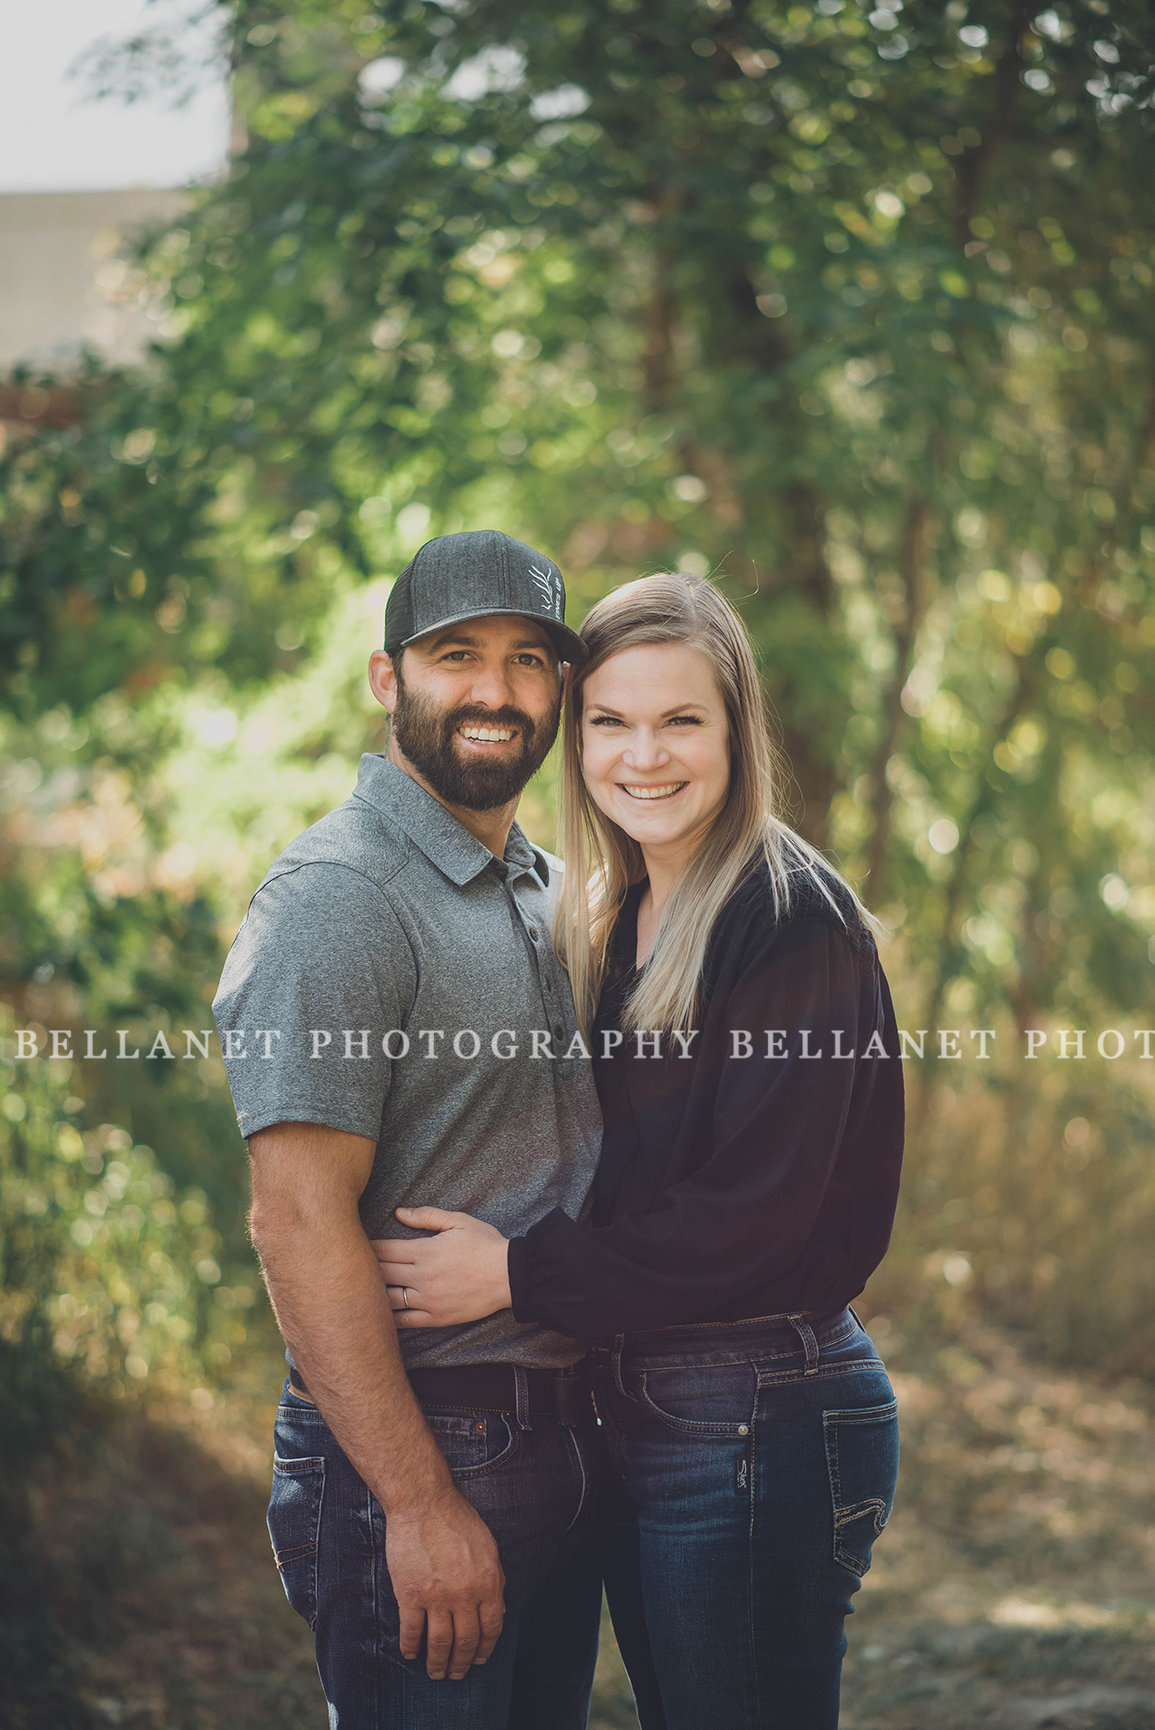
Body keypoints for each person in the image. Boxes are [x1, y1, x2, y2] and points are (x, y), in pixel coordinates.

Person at [374, 572, 905, 1729]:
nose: (642, 757)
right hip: (665, 1405)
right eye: (610, 721)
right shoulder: (623, 911)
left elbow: (749, 1214)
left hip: (761, 1405)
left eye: (681, 720)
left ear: (737, 729)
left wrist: (515, 1273)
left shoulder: (784, 916)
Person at [211, 529, 609, 1729]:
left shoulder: (542, 882)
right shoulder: (340, 899)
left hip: (557, 1442)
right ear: (389, 680)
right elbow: (295, 1217)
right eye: (456, 654)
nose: (496, 690)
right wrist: (421, 1502)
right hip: (421, 1451)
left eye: (529, 658)